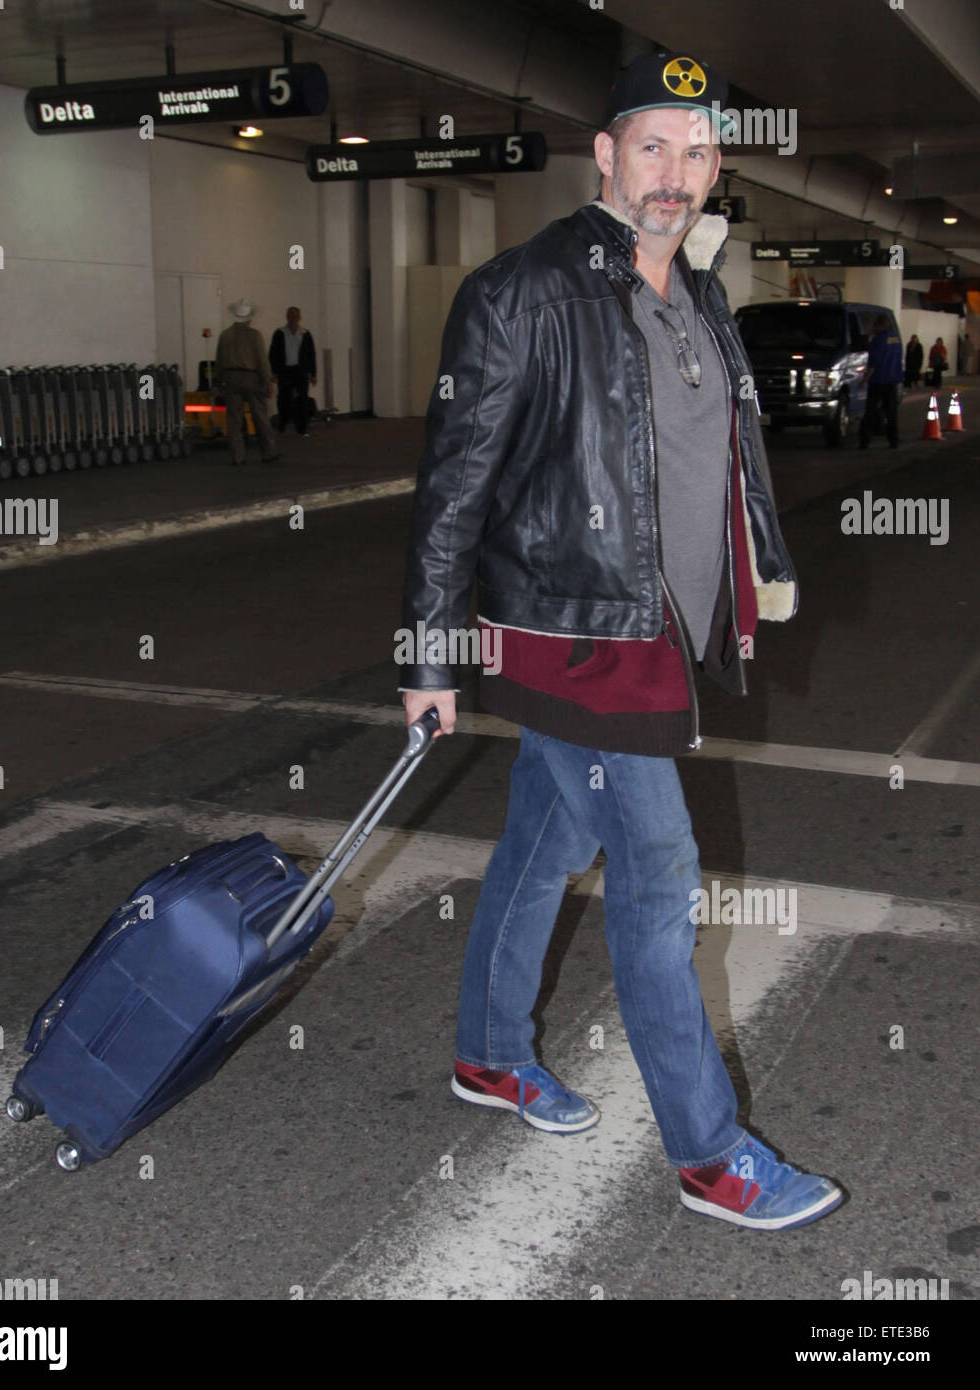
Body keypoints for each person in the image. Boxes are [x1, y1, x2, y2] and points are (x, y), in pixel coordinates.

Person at [399, 49, 844, 1232]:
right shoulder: (521, 292)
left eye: (696, 153)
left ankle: (489, 1053)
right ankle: (709, 1156)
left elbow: (716, 462)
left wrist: (752, 575)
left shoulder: (696, 288)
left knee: (542, 841)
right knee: (656, 876)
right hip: (574, 636)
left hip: (655, 628)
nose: (674, 174)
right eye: (653, 146)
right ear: (603, 154)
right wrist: (429, 656)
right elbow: (451, 488)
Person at [214, 299, 281, 465]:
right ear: (248, 318)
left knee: (234, 420)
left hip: (230, 378)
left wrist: (219, 382)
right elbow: (262, 361)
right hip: (251, 378)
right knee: (260, 417)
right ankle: (268, 452)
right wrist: (267, 381)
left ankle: (237, 456)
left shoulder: (225, 335)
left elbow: (219, 361)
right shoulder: (254, 335)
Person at [269, 307, 317, 437]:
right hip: (285, 370)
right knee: (283, 399)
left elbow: (311, 355)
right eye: (290, 316)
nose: (293, 319)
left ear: (299, 318)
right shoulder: (280, 333)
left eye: (295, 316)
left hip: (301, 371)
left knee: (302, 399)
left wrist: (313, 374)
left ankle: (302, 428)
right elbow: (273, 353)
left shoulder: (305, 334)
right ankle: (282, 423)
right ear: (287, 317)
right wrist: (273, 372)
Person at [858, 314, 903, 450]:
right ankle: (893, 441)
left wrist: (864, 380)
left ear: (881, 325)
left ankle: (865, 441)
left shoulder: (878, 340)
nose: (873, 327)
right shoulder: (896, 339)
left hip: (878, 381)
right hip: (892, 381)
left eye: (875, 325)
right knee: (891, 413)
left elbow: (873, 364)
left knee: (870, 412)